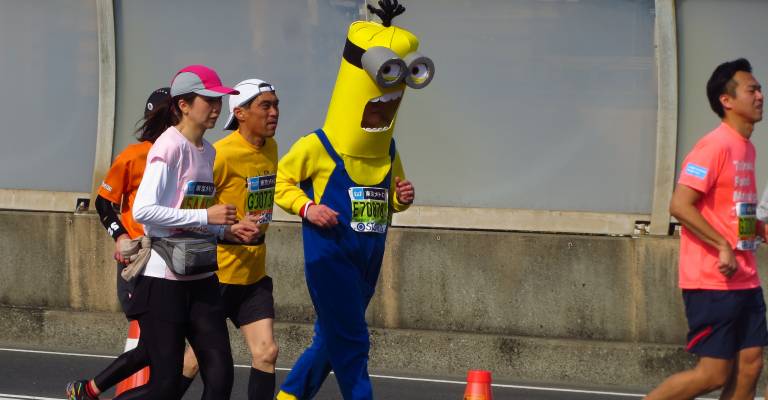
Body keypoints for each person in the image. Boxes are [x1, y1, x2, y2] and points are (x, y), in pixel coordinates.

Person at [275, 1, 432, 398]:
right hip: (330, 257)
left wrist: (403, 197)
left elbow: (392, 196)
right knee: (353, 342)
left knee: (330, 339)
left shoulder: (389, 150)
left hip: (369, 256)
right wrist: (309, 208)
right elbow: (281, 182)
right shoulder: (319, 146)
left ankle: (289, 396)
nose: (382, 110)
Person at [113, 64, 258, 400]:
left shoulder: (207, 151)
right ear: (184, 105)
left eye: (219, 100)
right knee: (164, 386)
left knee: (220, 379)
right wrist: (208, 216)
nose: (217, 107)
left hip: (202, 277)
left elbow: (193, 217)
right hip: (165, 281)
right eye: (209, 100)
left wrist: (227, 232)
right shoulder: (168, 147)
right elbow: (144, 212)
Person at [645, 58, 765, 400]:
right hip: (713, 278)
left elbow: (733, 208)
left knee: (750, 366)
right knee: (713, 374)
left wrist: (758, 228)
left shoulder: (747, 148)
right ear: (727, 101)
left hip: (745, 275)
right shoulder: (714, 145)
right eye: (751, 89)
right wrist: (722, 244)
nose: (760, 95)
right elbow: (680, 204)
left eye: (759, 89)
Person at [65, 87, 172, 400]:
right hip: (138, 260)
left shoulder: (184, 154)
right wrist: (120, 235)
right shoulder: (134, 156)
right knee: (158, 347)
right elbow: (103, 202)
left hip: (172, 260)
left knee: (157, 346)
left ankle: (89, 390)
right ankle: (89, 390)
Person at [179, 78, 280, 400]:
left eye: (276, 105)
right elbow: (189, 211)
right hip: (217, 273)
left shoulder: (273, 148)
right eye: (265, 106)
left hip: (253, 274)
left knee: (267, 353)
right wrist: (228, 228)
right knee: (194, 361)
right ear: (240, 112)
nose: (274, 112)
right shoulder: (219, 154)